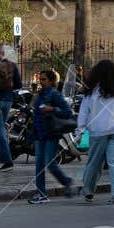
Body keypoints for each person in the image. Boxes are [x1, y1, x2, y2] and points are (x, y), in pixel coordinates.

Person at [76, 60, 114, 203]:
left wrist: (80, 130)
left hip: (98, 132)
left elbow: (83, 113)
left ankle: (88, 191)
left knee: (94, 163)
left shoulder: (91, 93)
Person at [28, 68, 76, 203]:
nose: (41, 82)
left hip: (51, 134)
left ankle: (66, 181)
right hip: (39, 133)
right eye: (40, 79)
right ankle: (42, 193)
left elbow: (67, 112)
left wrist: (52, 109)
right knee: (39, 164)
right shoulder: (40, 94)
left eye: (44, 80)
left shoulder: (55, 95)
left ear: (51, 81)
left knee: (50, 163)